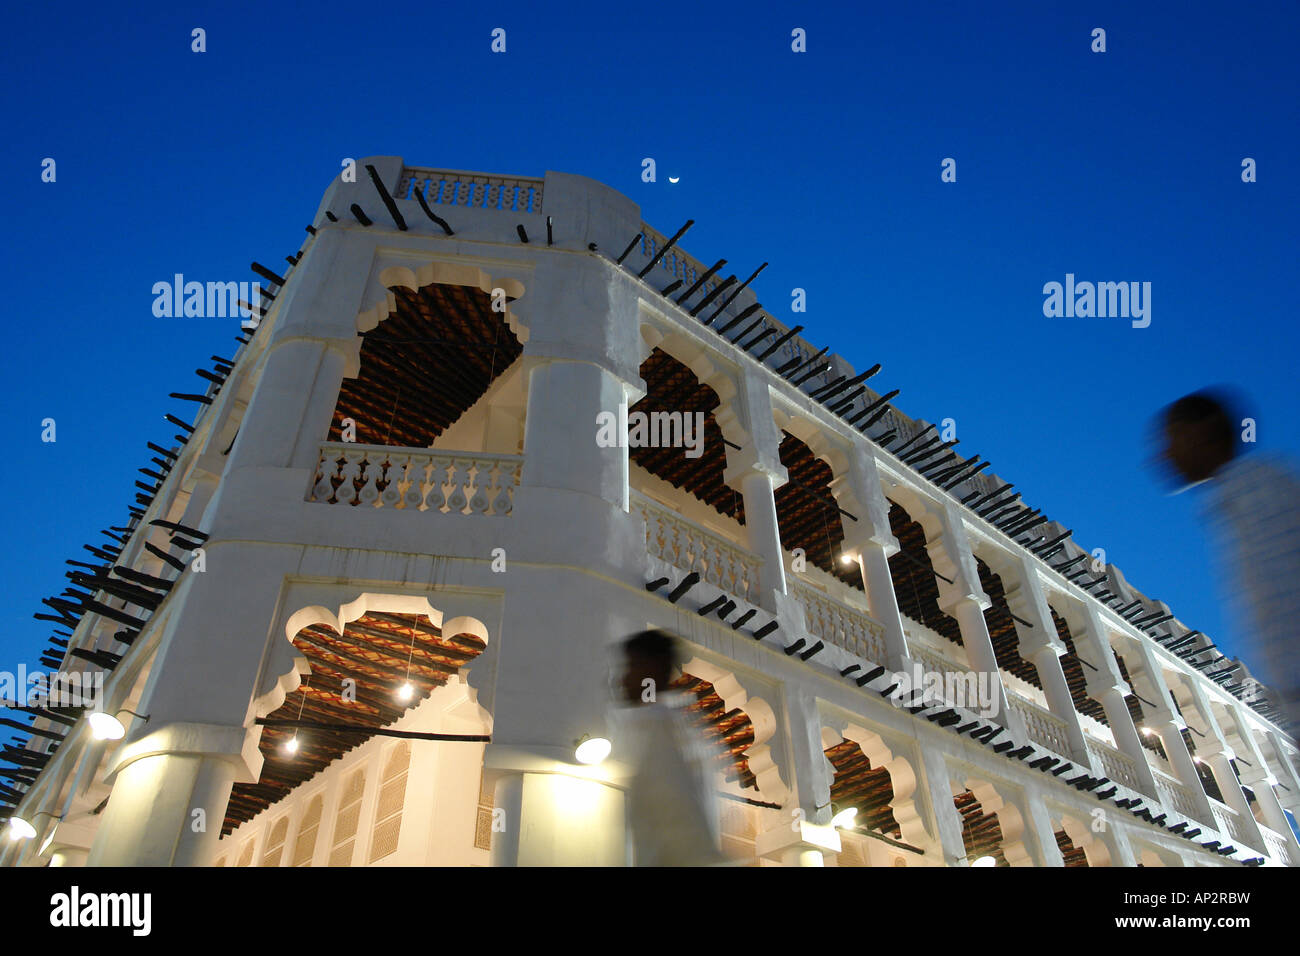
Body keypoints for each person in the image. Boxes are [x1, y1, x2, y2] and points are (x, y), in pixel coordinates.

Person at [1157, 389, 1300, 728]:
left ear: (1204, 431)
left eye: (1174, 438)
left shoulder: (1263, 491)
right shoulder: (1235, 502)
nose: (1166, 454)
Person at [612, 629, 729, 866]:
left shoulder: (663, 730)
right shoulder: (670, 727)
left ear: (651, 669)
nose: (622, 679)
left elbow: (683, 824)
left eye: (631, 666)